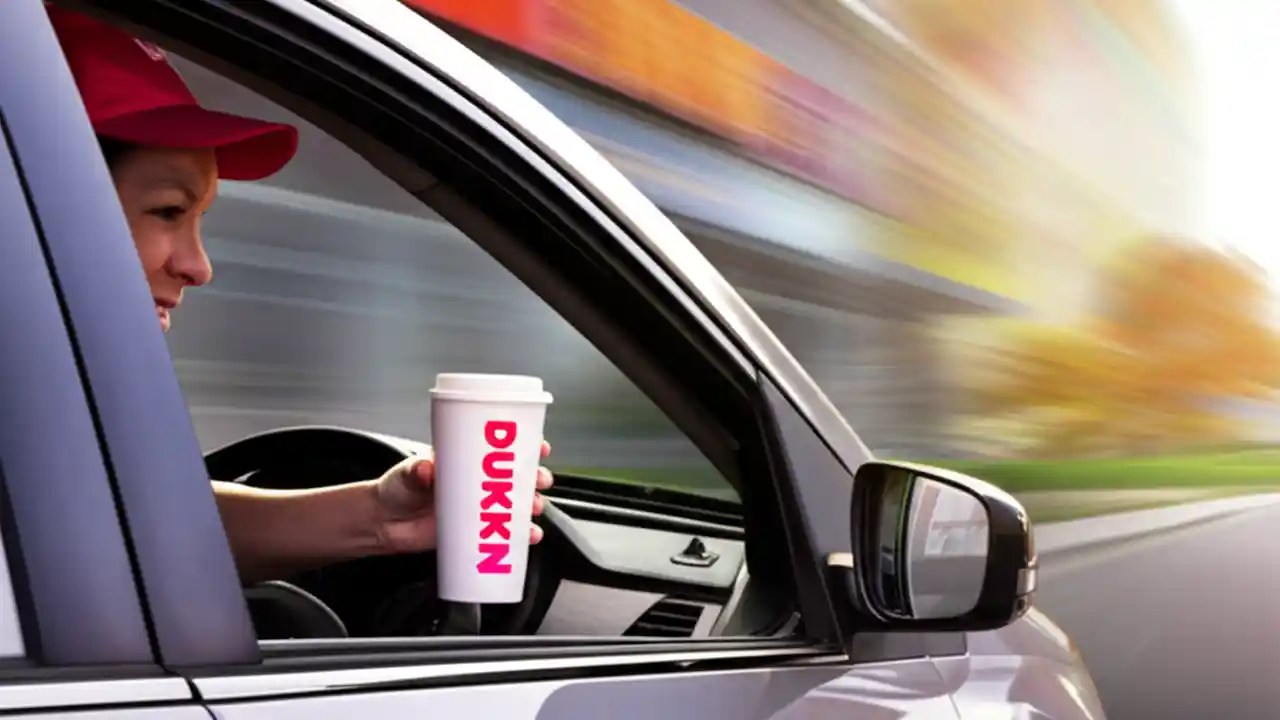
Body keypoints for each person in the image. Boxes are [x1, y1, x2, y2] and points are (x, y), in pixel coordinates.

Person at [48, 7, 554, 584]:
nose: (198, 267)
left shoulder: (49, 404)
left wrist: (383, 519)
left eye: (202, 219)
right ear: (33, 200)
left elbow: (135, 522)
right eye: (168, 211)